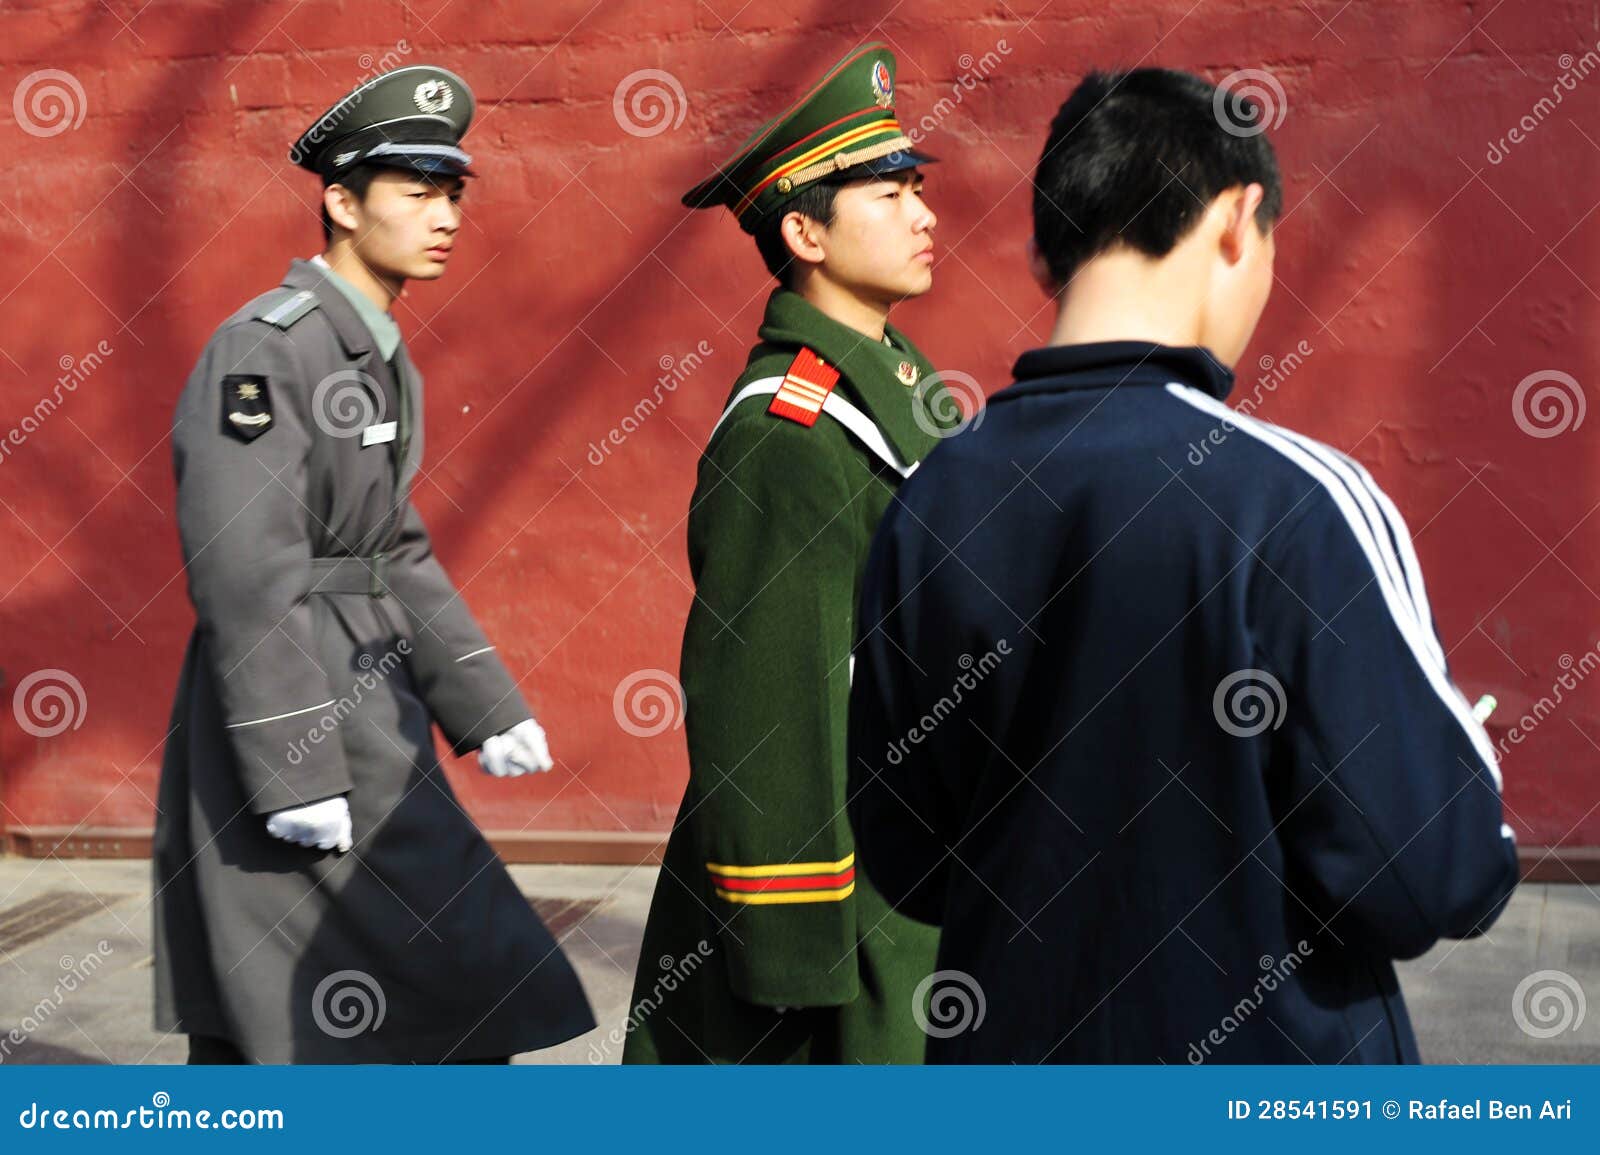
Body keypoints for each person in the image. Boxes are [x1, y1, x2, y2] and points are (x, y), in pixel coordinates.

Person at [847, 68, 1519, 1064]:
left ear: (1044, 253)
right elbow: (1428, 880)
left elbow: (905, 857)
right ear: (1239, 220)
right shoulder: (1290, 502)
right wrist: (1452, 752)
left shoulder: (929, 500)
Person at [154, 65, 594, 1063]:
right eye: (414, 191)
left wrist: (484, 707)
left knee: (403, 985)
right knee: (321, 988)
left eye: (451, 193)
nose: (443, 215)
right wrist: (293, 763)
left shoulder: (374, 348)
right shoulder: (267, 350)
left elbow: (391, 547)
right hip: (297, 695)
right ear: (341, 203)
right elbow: (243, 566)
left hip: (370, 684)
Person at [623, 43, 953, 1064]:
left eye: (917, 189)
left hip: (918, 865)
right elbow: (764, 706)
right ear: (804, 230)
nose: (923, 214)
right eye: (889, 194)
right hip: (838, 903)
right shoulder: (789, 435)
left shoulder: (893, 381)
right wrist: (793, 955)